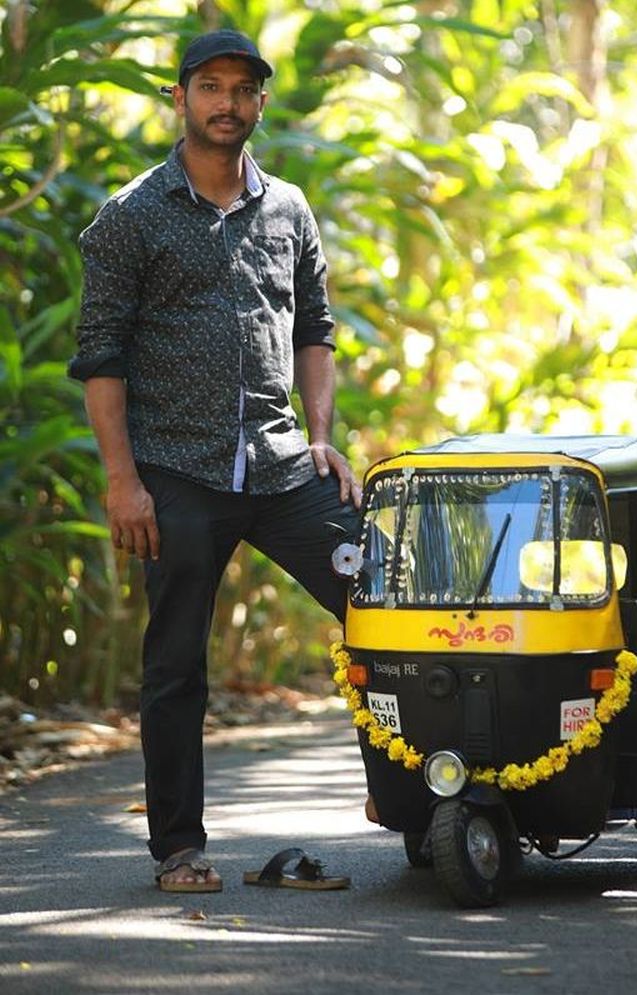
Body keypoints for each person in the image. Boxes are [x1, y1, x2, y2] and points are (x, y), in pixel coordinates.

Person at [69, 28, 361, 893]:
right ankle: (180, 848)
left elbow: (314, 332)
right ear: (180, 97)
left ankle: (438, 804)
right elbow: (102, 358)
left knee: (387, 607)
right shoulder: (131, 217)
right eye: (211, 87)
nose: (228, 103)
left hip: (280, 468)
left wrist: (318, 432)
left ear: (261, 101)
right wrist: (124, 480)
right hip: (178, 475)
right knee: (175, 666)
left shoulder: (289, 210)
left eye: (243, 88)